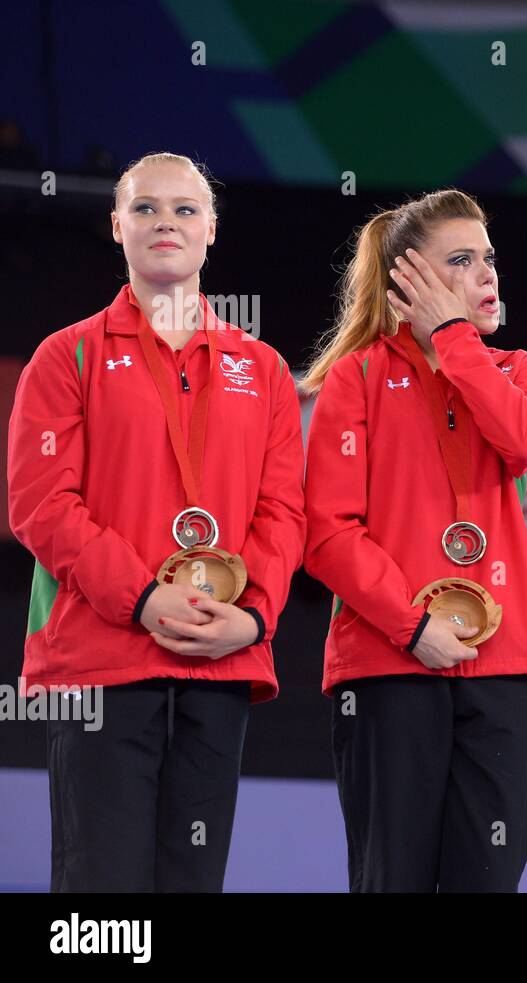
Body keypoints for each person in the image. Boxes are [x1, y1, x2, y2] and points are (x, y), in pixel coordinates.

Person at [8, 151, 306, 891]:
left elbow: (285, 510)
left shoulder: (262, 366)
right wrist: (143, 597)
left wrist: (257, 614)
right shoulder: (65, 355)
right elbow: (40, 504)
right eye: (144, 208)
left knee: (193, 877)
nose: (164, 222)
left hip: (220, 658)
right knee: (101, 888)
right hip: (101, 659)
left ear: (211, 230)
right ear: (117, 227)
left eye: (183, 209)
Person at [301, 189, 527, 892]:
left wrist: (453, 339)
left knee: (491, 869)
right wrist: (409, 622)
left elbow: (520, 441)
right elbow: (328, 532)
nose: (487, 275)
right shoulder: (356, 380)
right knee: (395, 872)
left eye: (489, 258)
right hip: (390, 659)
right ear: (408, 281)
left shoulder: (519, 370)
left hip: (502, 658)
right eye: (461, 260)